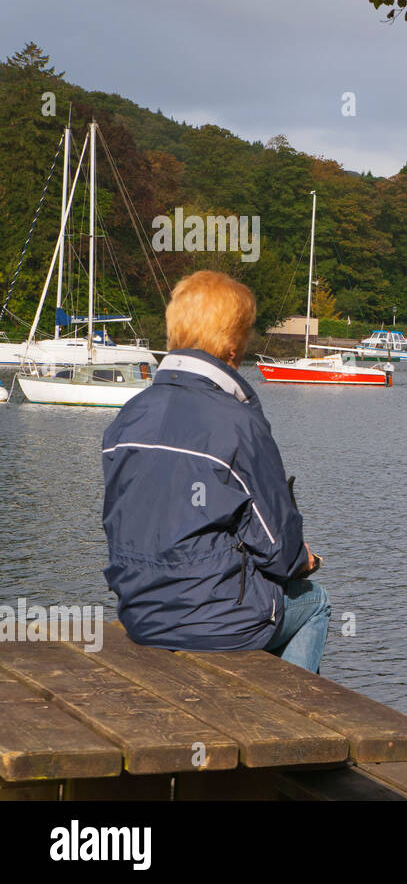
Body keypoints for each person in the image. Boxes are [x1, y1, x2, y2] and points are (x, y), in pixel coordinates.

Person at [101, 271, 330, 672]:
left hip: (139, 613)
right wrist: (303, 560)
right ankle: (289, 715)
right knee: (314, 602)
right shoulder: (238, 423)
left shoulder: (130, 415)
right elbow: (278, 552)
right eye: (246, 335)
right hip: (214, 620)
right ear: (230, 346)